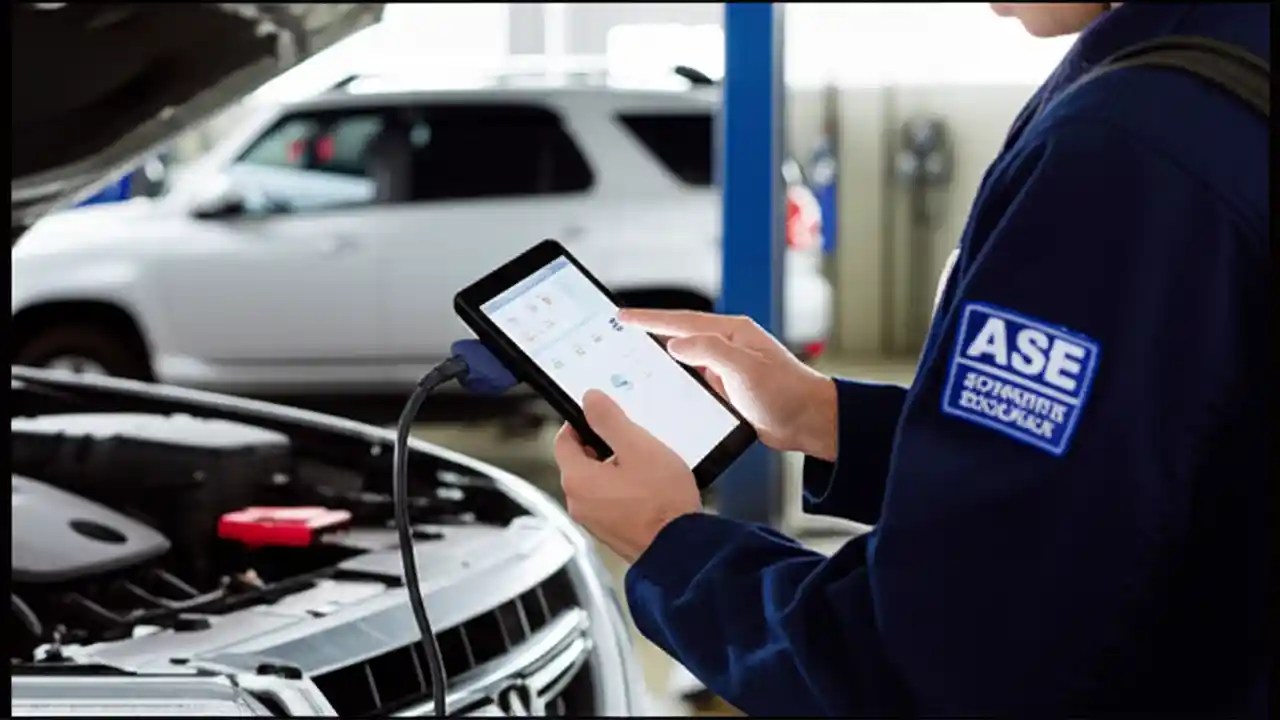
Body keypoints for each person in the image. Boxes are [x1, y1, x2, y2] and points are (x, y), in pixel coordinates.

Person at [553, 2, 1269, 716]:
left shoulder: (1129, 146)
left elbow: (945, 663)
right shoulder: (1225, 71)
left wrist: (670, 545)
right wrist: (823, 415)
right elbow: (1144, 467)